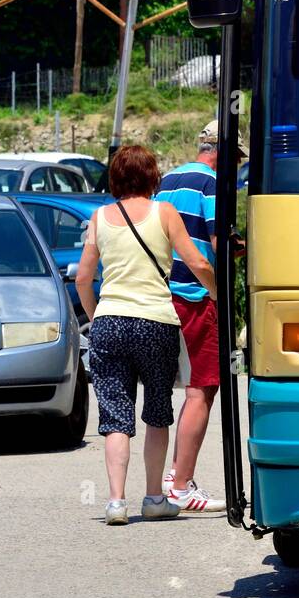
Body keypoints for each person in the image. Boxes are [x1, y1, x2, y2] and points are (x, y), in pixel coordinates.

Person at [75, 145, 217, 526]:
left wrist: (96, 315)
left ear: (116, 178)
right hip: (156, 321)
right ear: (153, 176)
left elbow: (83, 278)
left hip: (110, 321)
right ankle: (155, 497)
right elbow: (199, 261)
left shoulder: (99, 217)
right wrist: (218, 294)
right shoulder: (164, 213)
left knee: (116, 416)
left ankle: (116, 502)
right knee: (157, 412)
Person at [156, 120, 246, 514]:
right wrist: (244, 250)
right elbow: (215, 242)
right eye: (237, 159)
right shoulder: (211, 183)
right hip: (196, 294)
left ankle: (169, 474)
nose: (237, 168)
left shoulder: (168, 180)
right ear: (223, 154)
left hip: (162, 293)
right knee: (202, 389)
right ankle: (181, 484)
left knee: (166, 388)